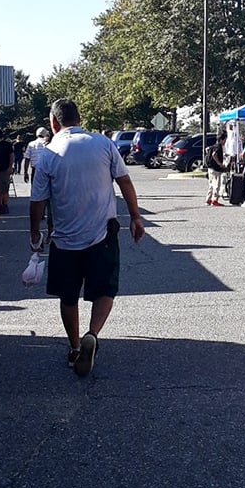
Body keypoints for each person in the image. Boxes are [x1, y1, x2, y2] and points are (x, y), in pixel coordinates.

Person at [29, 98, 145, 378]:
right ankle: (92, 334)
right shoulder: (103, 144)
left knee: (68, 296)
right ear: (79, 119)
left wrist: (35, 233)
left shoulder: (48, 154)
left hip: (64, 238)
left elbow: (37, 201)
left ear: (54, 122)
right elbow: (124, 181)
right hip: (102, 233)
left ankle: (74, 347)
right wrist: (135, 216)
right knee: (105, 290)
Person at [205, 131, 228, 206]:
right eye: (224, 140)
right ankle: (214, 200)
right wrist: (219, 163)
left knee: (211, 184)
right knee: (217, 185)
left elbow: (207, 149)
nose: (225, 142)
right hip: (215, 169)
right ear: (221, 140)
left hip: (210, 168)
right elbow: (214, 154)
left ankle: (208, 199)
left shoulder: (213, 146)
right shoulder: (218, 147)